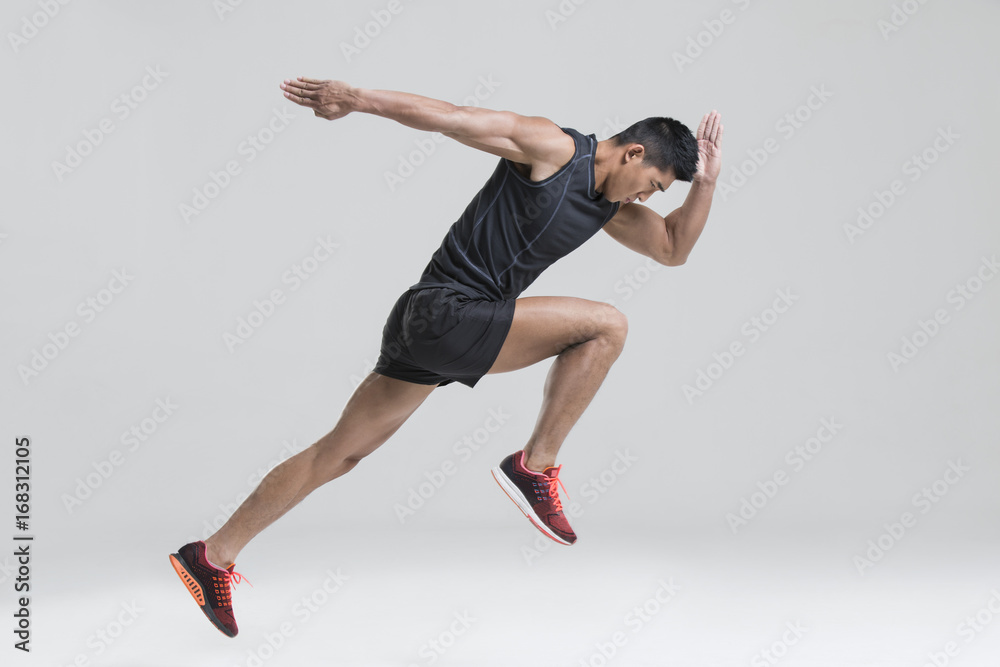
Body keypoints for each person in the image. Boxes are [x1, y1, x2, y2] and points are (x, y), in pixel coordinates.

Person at [169, 77, 724, 637]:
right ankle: (534, 468)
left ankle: (211, 556)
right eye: (652, 184)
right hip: (446, 312)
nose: (645, 200)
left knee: (337, 455)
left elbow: (673, 249)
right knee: (608, 326)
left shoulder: (610, 208)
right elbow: (451, 116)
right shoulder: (553, 147)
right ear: (632, 153)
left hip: (428, 327)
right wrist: (358, 100)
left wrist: (706, 182)